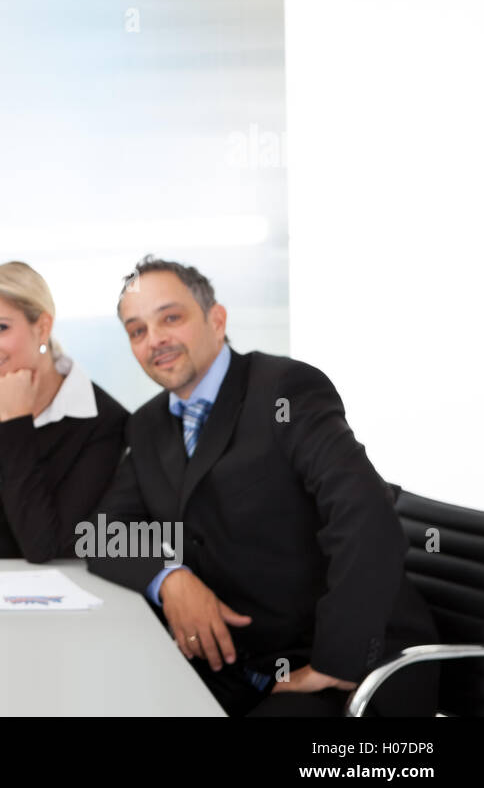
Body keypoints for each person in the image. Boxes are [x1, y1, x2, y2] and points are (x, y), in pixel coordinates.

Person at [87, 254, 437, 716]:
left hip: (342, 663)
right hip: (239, 665)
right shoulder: (148, 425)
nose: (155, 340)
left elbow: (366, 515)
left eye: (170, 318)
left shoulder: (285, 391)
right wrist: (170, 579)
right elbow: (107, 533)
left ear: (216, 318)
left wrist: (339, 660)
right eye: (137, 330)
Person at [0, 262, 127, 561]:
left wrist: (15, 426)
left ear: (43, 327)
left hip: (41, 595)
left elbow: (45, 546)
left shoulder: (102, 423)